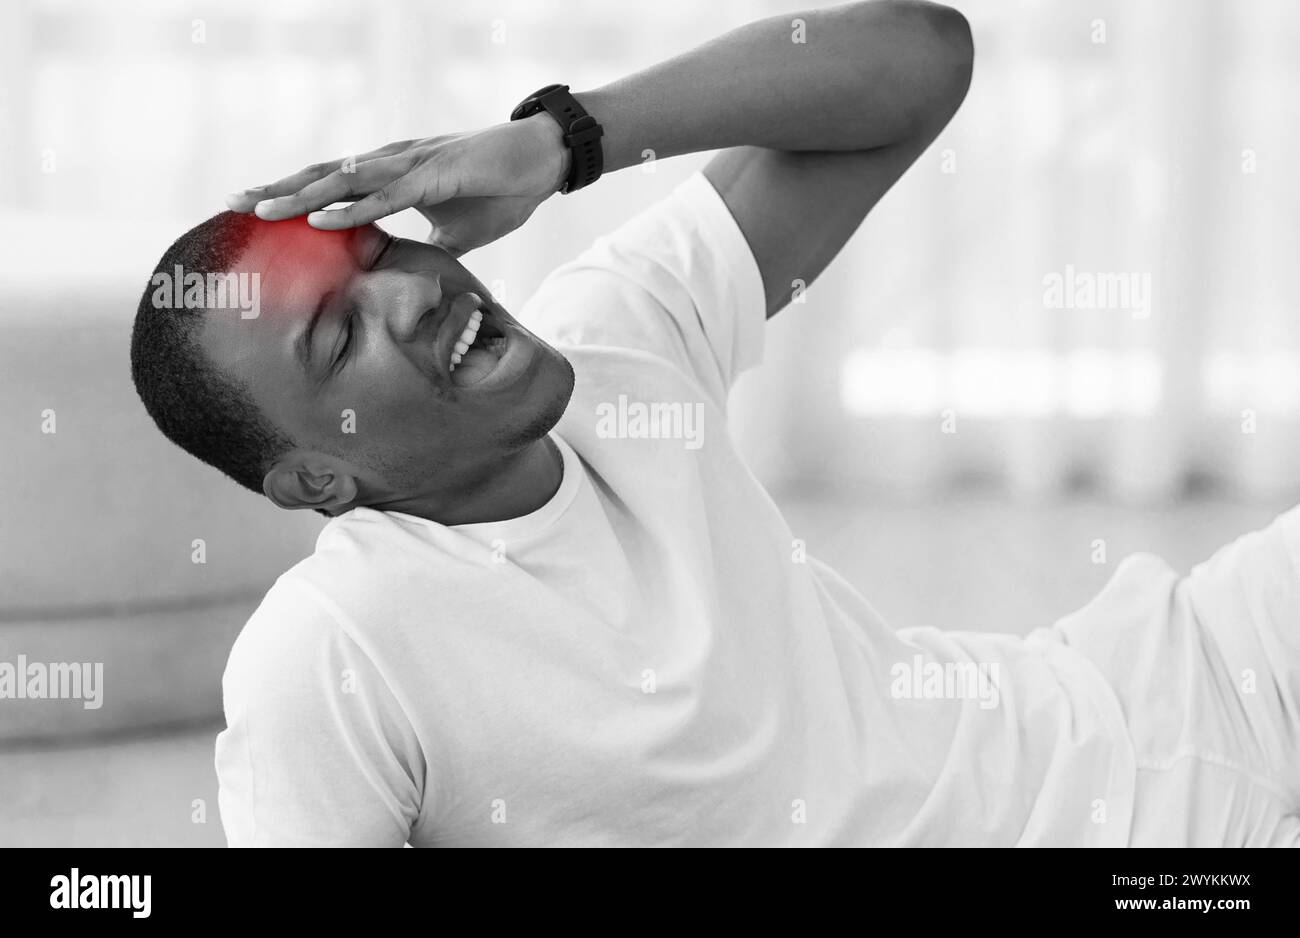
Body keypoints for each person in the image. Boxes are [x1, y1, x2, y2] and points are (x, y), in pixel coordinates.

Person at [130, 1, 1300, 846]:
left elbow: (921, 57)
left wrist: (559, 140)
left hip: (1174, 677)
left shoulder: (614, 338)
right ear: (316, 480)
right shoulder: (337, 648)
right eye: (338, 336)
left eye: (382, 252)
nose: (411, 293)